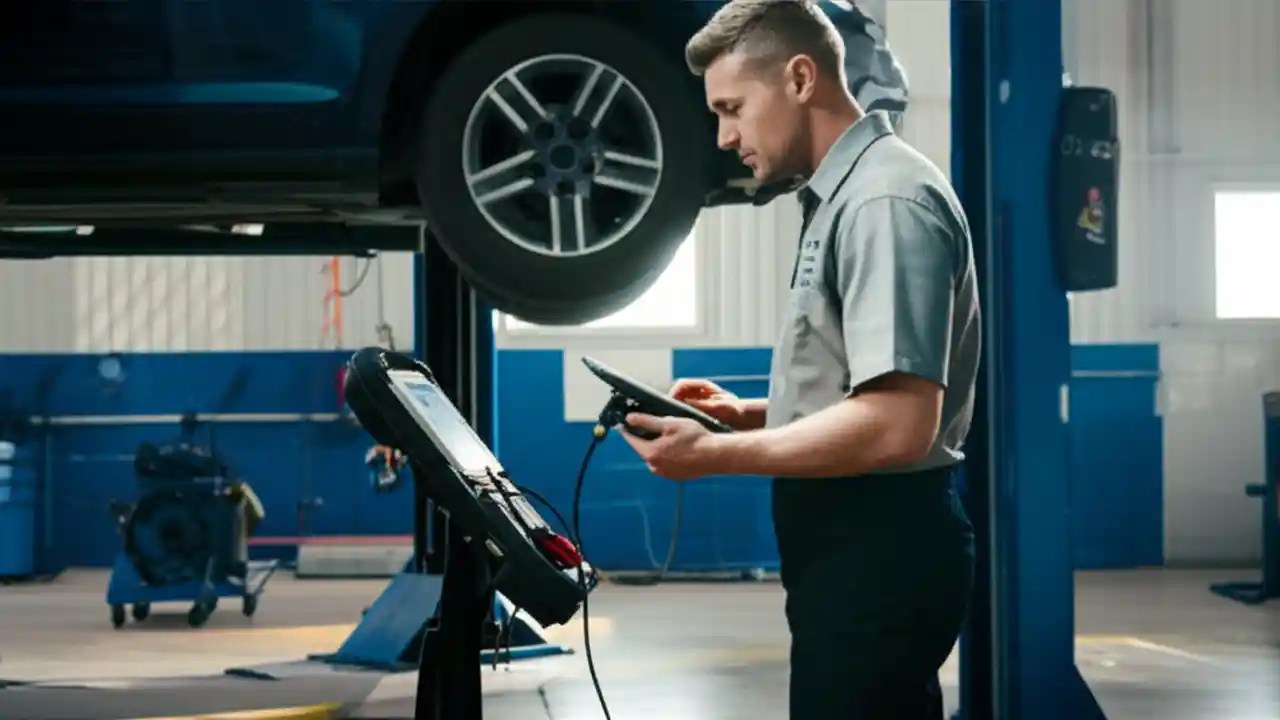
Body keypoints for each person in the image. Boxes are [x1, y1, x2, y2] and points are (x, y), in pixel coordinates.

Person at [616, 1, 981, 718]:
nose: (724, 137)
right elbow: (859, 391)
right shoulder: (843, 196)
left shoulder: (885, 201)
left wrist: (719, 455)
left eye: (732, 109)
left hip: (879, 545)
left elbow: (900, 423)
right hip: (853, 546)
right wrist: (740, 416)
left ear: (801, 78)